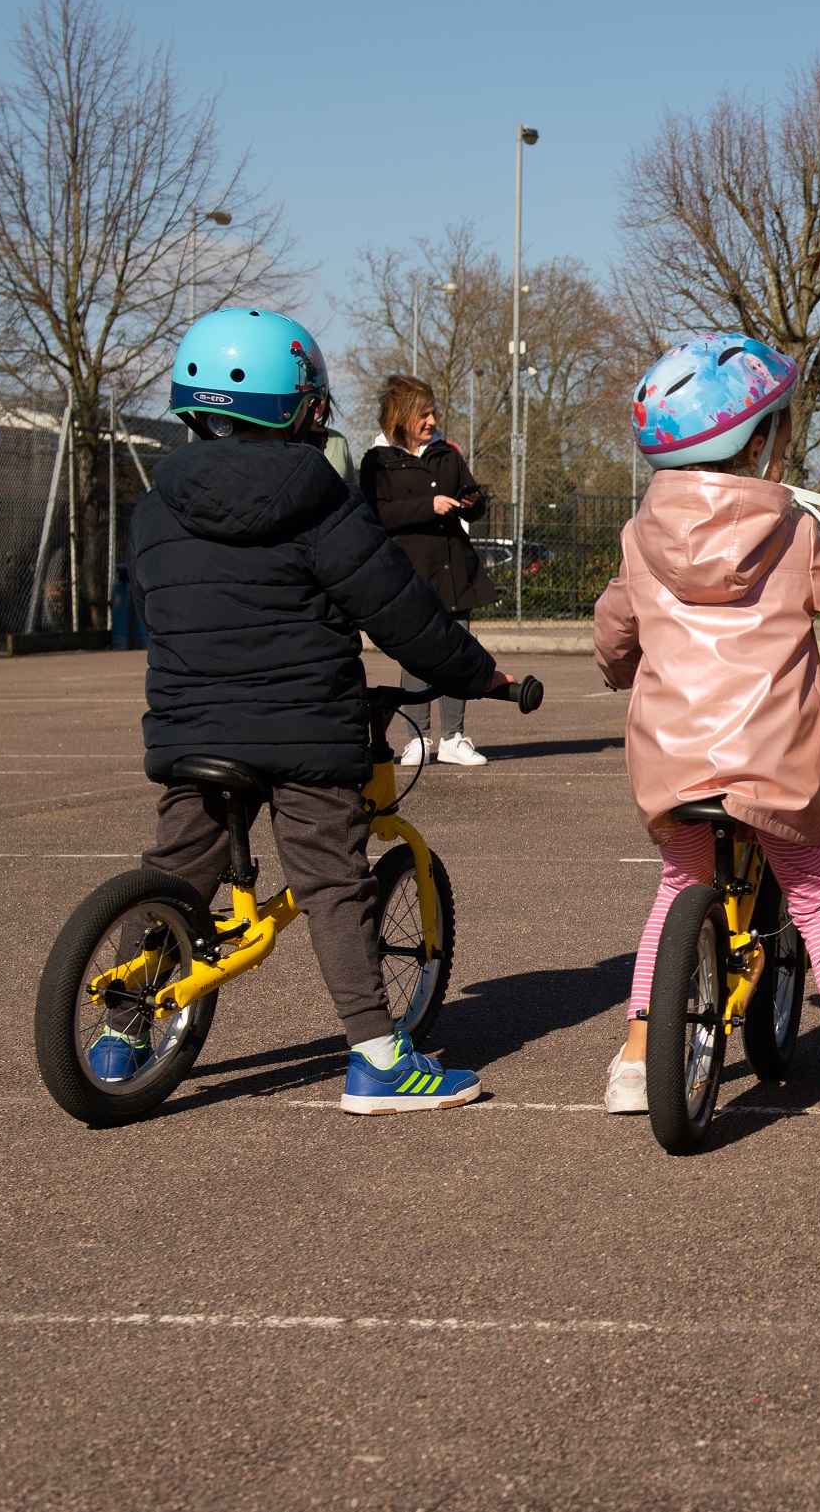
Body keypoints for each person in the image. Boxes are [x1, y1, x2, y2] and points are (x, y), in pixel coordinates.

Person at [123, 307, 509, 1114]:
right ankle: (377, 1057)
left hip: (189, 729)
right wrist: (482, 676)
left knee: (173, 870)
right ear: (302, 407)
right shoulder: (321, 502)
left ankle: (121, 1032)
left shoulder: (154, 506)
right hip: (305, 732)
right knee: (335, 880)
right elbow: (402, 613)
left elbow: (165, 606)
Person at [593, 335, 820, 1120]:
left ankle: (637, 1062)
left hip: (673, 755)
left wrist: (616, 669)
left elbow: (614, 632)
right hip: (772, 755)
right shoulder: (793, 532)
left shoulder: (641, 537)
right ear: (759, 440)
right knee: (813, 894)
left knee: (677, 883)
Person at [359, 375, 496, 766]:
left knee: (458, 652)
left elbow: (474, 500)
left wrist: (471, 502)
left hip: (454, 571)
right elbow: (376, 513)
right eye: (424, 413)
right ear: (401, 417)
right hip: (410, 573)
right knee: (416, 656)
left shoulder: (447, 452)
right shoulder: (377, 461)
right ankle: (415, 738)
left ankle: (453, 738)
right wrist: (427, 505)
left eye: (433, 412)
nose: (432, 419)